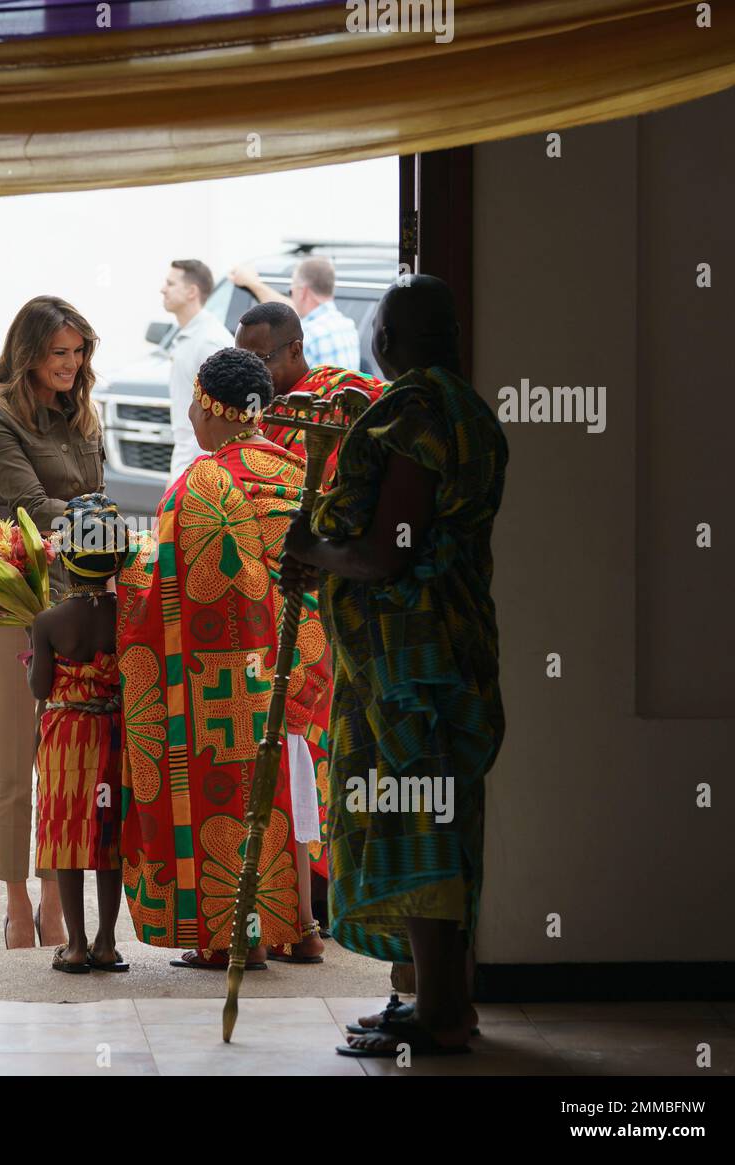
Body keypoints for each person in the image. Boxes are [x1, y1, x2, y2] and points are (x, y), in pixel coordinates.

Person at [280, 275, 508, 1057]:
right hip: (459, 644)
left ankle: (439, 1010)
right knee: (443, 818)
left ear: (389, 340)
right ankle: (443, 1002)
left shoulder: (413, 410)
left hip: (412, 663)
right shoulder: (473, 412)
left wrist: (312, 550)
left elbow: (388, 552)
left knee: (419, 821)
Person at [117, 346, 330, 969]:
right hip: (311, 664)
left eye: (193, 402)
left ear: (213, 404)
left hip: (244, 664)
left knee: (240, 793)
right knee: (293, 791)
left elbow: (173, 584)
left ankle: (239, 937)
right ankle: (304, 928)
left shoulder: (208, 481)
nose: (188, 416)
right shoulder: (297, 470)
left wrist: (115, 578)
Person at [235, 299, 387, 937]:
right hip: (281, 607)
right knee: (292, 748)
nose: (252, 372)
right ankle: (299, 895)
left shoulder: (341, 398)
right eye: (243, 358)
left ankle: (329, 898)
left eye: (261, 359)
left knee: (330, 751)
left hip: (338, 603)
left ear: (295, 350)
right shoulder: (260, 414)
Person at [0, 295, 105, 950]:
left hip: (74, 595)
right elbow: (30, 506)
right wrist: (101, 526)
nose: (72, 365)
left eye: (79, 352)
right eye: (60, 353)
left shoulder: (83, 412)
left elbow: (91, 498)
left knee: (67, 755)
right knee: (15, 752)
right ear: (29, 355)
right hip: (10, 594)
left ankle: (56, 893)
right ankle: (17, 899)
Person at [27, 494, 129, 974]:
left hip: (66, 739)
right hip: (112, 736)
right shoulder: (125, 617)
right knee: (109, 840)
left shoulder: (48, 622)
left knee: (64, 838)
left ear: (64, 557)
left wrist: (34, 659)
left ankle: (75, 945)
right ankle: (108, 943)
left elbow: (40, 687)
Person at [159, 260, 234, 486]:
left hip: (201, 472)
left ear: (192, 292)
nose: (163, 289)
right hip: (185, 463)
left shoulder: (210, 341)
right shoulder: (189, 335)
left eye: (171, 284)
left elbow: (224, 418)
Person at [230, 254, 360, 370]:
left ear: (303, 292)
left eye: (291, 291)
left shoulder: (307, 336)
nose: (291, 297)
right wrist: (254, 284)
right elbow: (289, 310)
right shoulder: (347, 326)